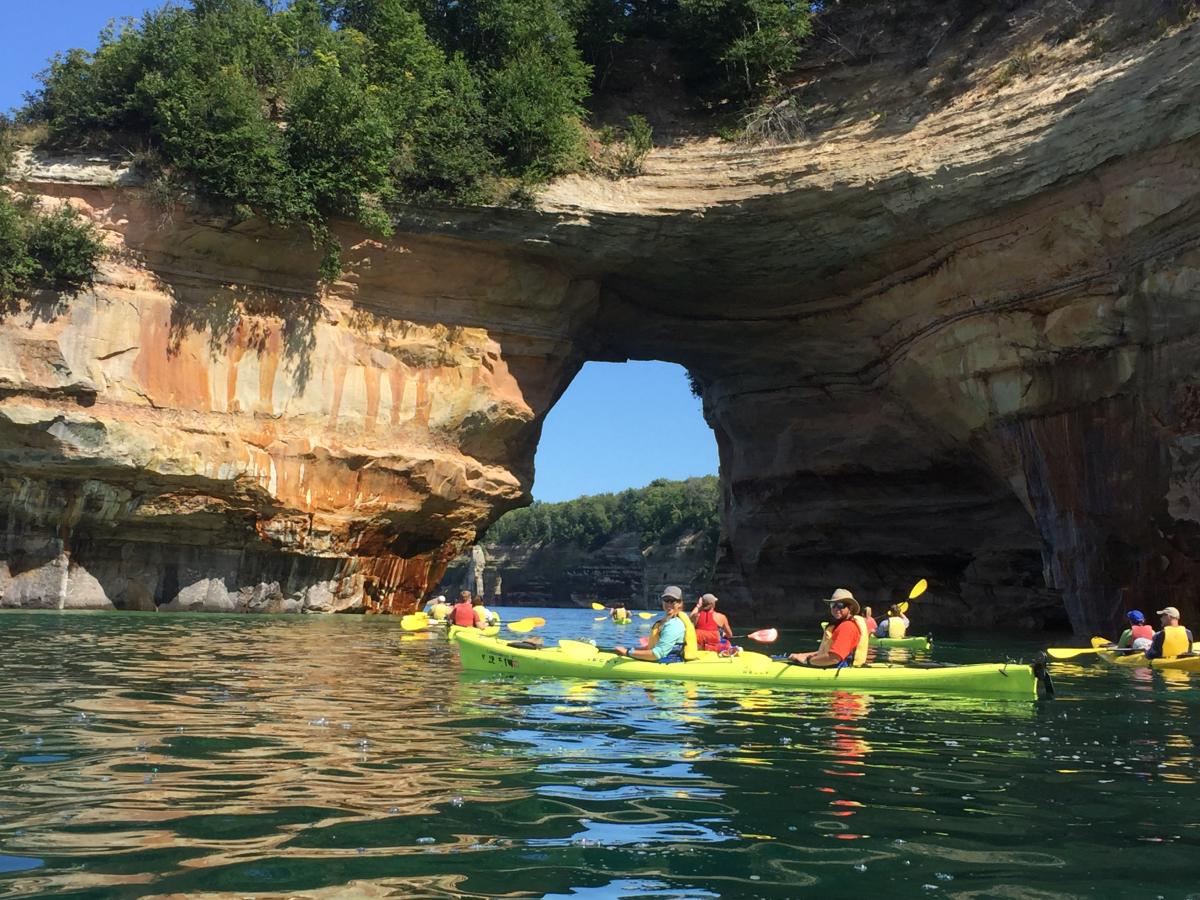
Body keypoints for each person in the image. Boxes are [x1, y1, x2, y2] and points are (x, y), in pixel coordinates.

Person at [789, 588, 869, 668]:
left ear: (850, 608)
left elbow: (834, 658)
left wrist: (807, 660)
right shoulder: (840, 625)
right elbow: (824, 653)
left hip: (840, 667)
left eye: (840, 605)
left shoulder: (847, 626)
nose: (836, 608)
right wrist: (801, 655)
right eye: (833, 605)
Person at [613, 586, 698, 662]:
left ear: (679, 603)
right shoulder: (665, 621)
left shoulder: (674, 625)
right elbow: (652, 647)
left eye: (672, 601)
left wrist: (627, 653)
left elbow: (657, 654)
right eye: (666, 600)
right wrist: (629, 650)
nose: (668, 604)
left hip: (667, 665)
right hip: (657, 660)